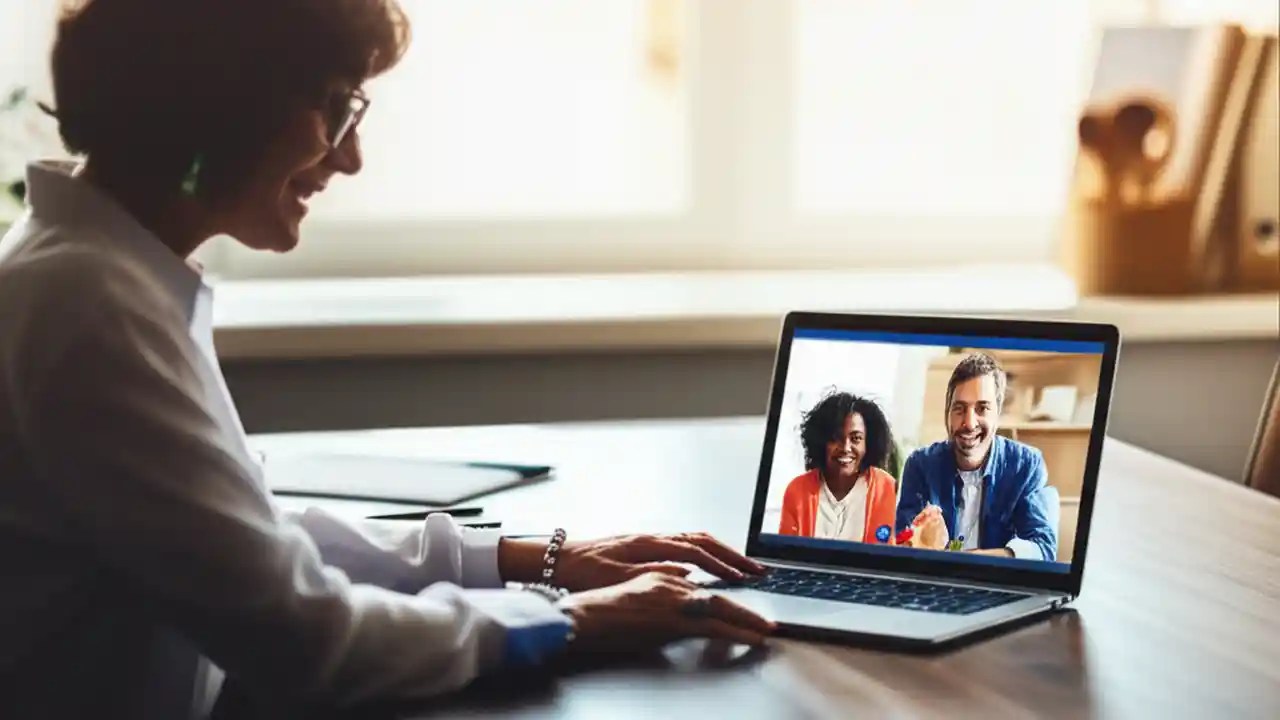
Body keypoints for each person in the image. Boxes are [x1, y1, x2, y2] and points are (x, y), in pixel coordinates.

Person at [0, 1, 773, 717]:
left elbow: (251, 535)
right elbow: (304, 637)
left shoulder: (91, 271)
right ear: (231, 103)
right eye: (337, 109)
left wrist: (539, 559)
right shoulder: (90, 307)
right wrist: (570, 621)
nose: (352, 158)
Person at [895, 353, 1057, 561]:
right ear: (948, 413)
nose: (970, 423)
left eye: (982, 408)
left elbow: (1042, 549)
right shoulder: (920, 465)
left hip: (997, 585)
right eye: (959, 409)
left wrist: (974, 561)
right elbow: (902, 542)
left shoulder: (1026, 466)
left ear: (997, 414)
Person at [778, 391, 899, 543]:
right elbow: (785, 555)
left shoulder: (887, 488)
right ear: (821, 441)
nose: (846, 448)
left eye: (856, 439)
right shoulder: (797, 490)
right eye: (836, 438)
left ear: (869, 443)